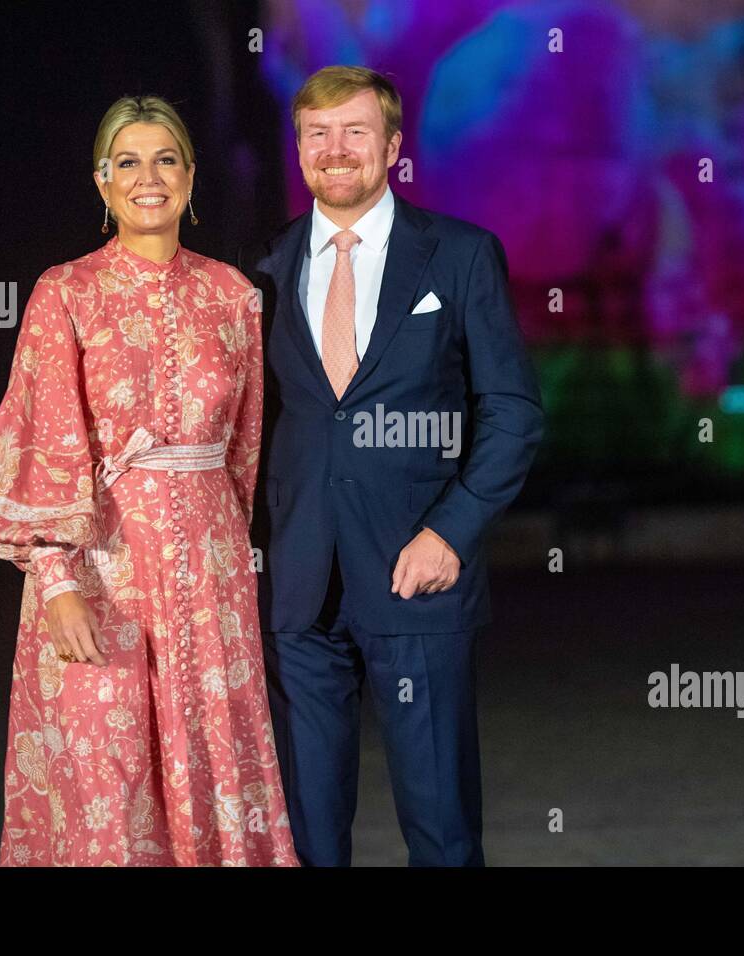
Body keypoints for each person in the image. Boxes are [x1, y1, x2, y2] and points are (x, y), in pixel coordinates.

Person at [0, 95, 299, 867]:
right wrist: (54, 579)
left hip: (211, 579)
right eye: (128, 163)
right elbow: (40, 437)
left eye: (166, 159)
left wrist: (223, 553)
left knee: (213, 758)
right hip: (98, 571)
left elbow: (243, 451)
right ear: (102, 184)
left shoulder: (233, 296)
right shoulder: (65, 293)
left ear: (189, 176)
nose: (149, 178)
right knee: (105, 769)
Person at [242, 66, 544, 866]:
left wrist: (451, 532)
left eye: (355, 132)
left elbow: (512, 413)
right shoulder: (260, 269)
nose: (335, 151)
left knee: (442, 830)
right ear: (299, 147)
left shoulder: (460, 254)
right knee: (306, 835)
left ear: (394, 147)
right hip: (298, 587)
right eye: (317, 134)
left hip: (421, 574)